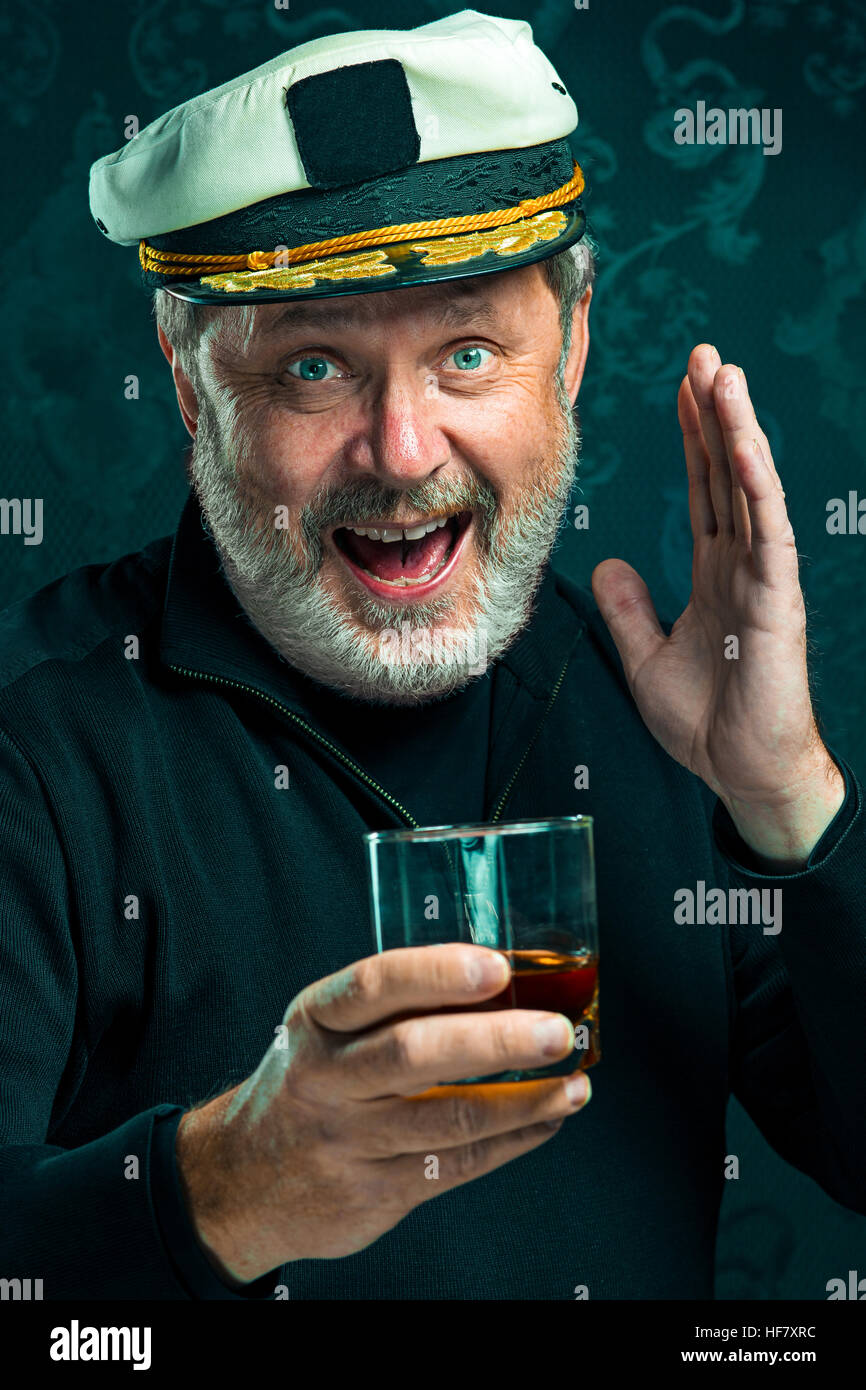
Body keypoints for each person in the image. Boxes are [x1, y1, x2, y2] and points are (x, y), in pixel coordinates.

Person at [1, 11, 863, 1302]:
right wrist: (229, 1181)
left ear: (568, 347)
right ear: (189, 385)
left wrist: (784, 795)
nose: (402, 450)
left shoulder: (660, 710)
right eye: (311, 368)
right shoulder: (37, 740)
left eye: (467, 352)